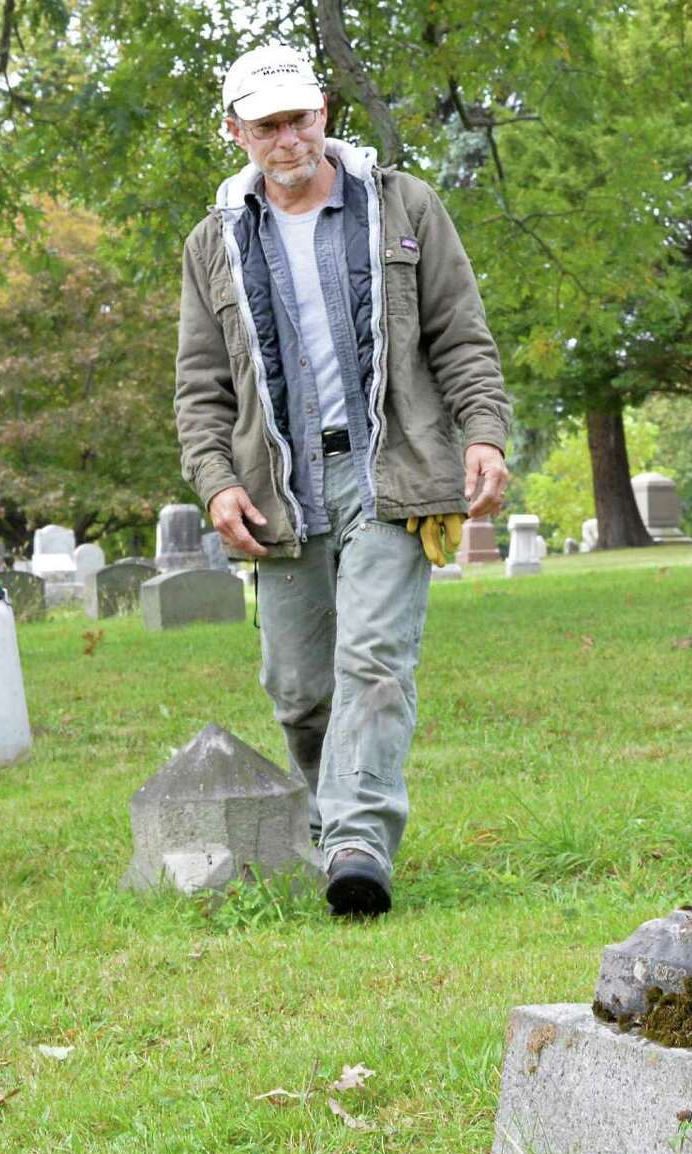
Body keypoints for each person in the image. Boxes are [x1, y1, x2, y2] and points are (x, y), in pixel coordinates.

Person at [176, 43, 513, 916]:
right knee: (298, 689)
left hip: (389, 464)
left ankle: (358, 841)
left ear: (324, 112)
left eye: (300, 118)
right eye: (266, 126)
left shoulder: (404, 205)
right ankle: (334, 822)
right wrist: (216, 484)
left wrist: (483, 434)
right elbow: (201, 386)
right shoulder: (212, 242)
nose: (288, 139)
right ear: (235, 131)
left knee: (373, 659)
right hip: (280, 482)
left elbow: (460, 335)